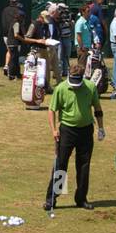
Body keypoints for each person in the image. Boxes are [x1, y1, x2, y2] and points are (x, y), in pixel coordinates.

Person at [43, 59, 105, 212]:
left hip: (86, 130)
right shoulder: (61, 88)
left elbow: (97, 108)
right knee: (61, 164)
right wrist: (53, 130)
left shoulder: (90, 87)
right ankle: (52, 198)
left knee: (83, 166)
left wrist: (101, 128)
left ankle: (81, 199)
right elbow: (52, 110)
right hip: (67, 131)